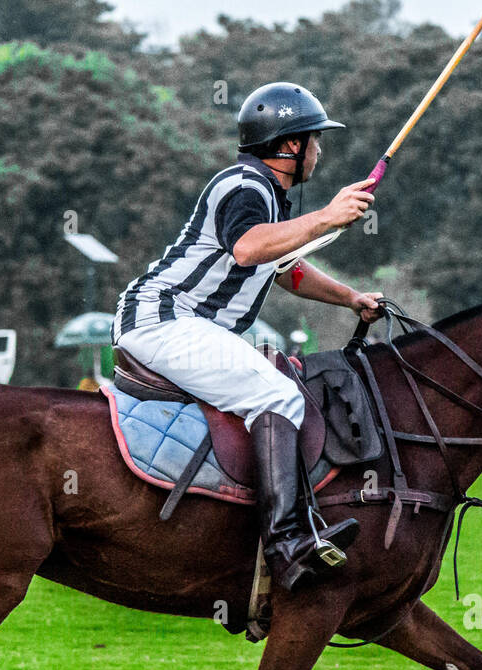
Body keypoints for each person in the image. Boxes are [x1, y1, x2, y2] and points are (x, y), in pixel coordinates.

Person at [113, 82, 384, 591]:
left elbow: (285, 269)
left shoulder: (272, 199)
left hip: (181, 323)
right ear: (290, 145)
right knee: (277, 395)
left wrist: (350, 297)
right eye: (314, 140)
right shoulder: (246, 185)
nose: (319, 151)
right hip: (166, 319)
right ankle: (286, 543)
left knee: (282, 383)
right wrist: (327, 215)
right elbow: (247, 249)